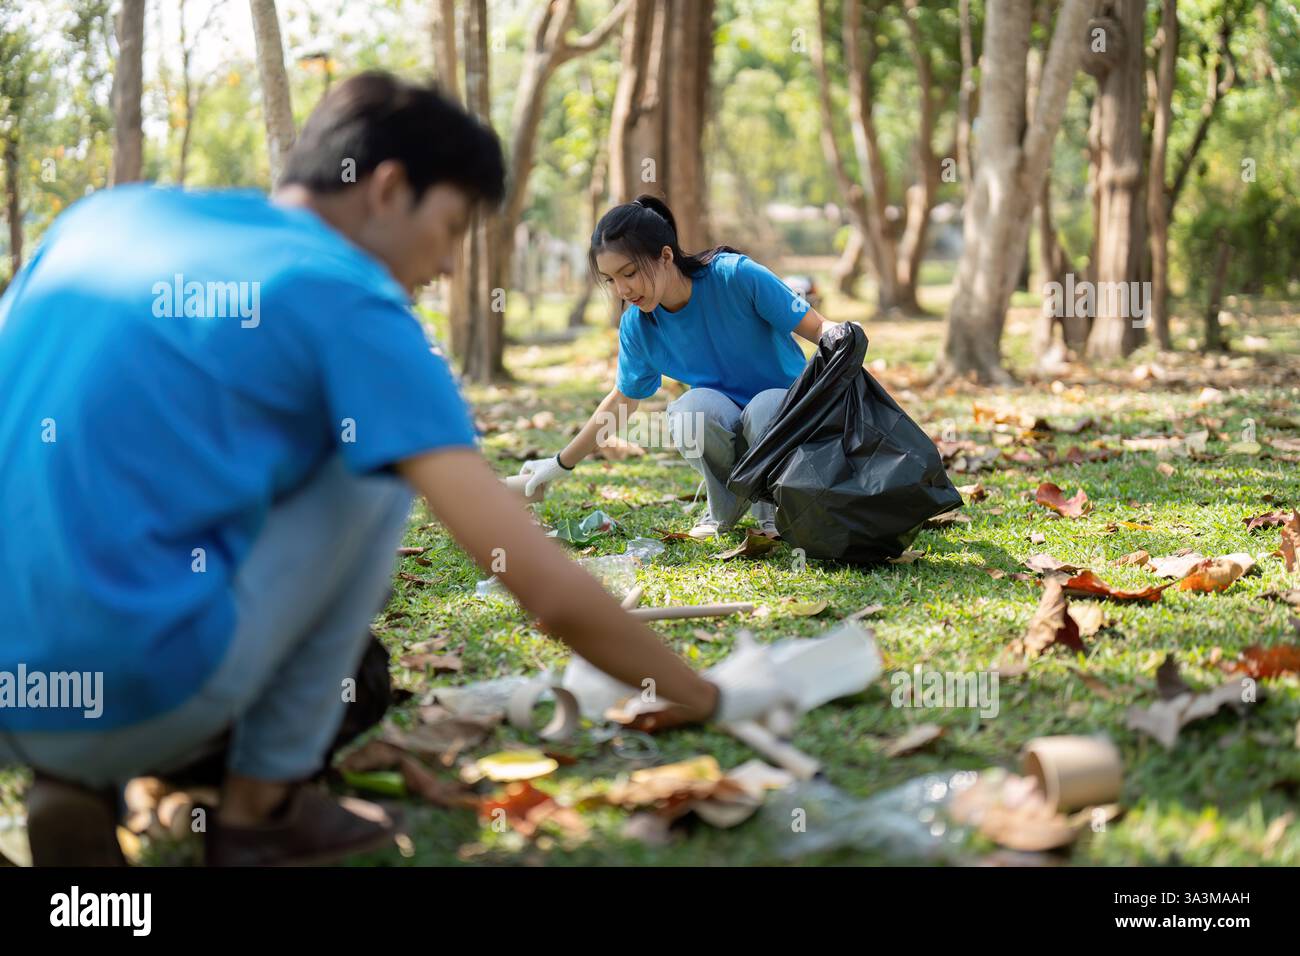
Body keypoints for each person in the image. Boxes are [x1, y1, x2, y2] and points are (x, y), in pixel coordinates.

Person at [0, 73, 790, 867]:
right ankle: (258, 810)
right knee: (377, 465)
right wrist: (716, 694)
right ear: (386, 189)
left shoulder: (102, 220)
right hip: (143, 688)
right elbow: (541, 585)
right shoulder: (348, 300)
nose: (446, 267)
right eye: (449, 228)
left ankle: (84, 768)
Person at [519, 195, 839, 538]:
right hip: (731, 429)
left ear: (666, 256)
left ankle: (775, 511)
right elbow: (621, 403)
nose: (623, 290)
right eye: (610, 279)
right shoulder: (638, 326)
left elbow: (817, 327)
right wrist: (559, 463)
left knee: (763, 407)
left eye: (629, 273)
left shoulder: (736, 276)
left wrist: (842, 336)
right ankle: (725, 508)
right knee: (688, 410)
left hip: (786, 421)